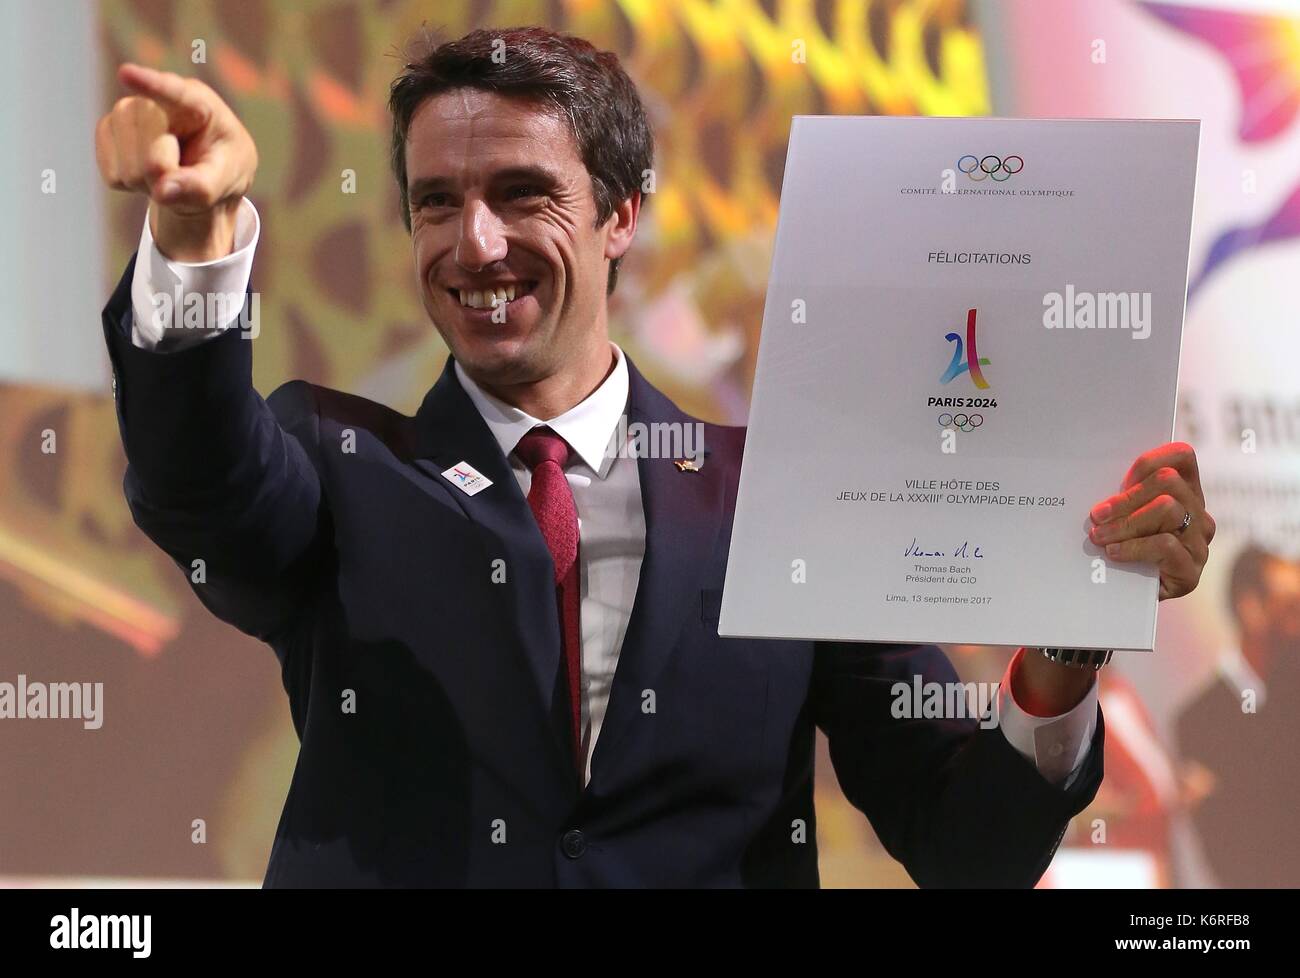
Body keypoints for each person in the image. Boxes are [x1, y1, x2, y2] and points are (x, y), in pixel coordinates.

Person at [93, 26, 1214, 887]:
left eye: (522, 194)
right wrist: (195, 237)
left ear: (623, 213)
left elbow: (967, 848)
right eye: (437, 202)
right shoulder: (337, 458)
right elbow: (201, 486)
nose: (474, 242)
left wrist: (1073, 626)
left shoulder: (783, 493)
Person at [1176, 545, 1299, 888]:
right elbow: (1232, 846)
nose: (1297, 623)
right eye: (1290, 607)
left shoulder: (1291, 702)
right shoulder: (1200, 719)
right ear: (1251, 608)